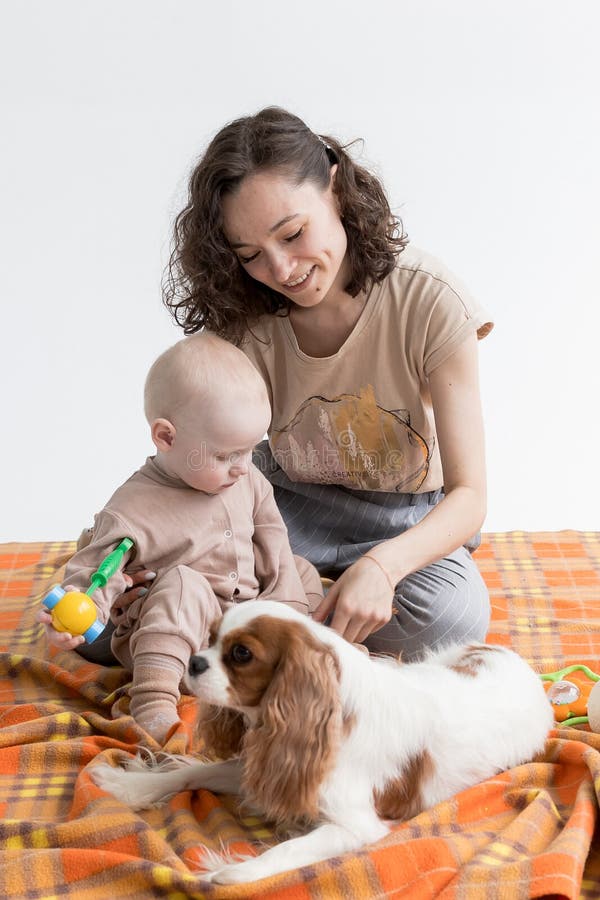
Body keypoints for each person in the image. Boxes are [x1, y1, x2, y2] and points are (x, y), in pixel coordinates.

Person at [157, 106, 494, 660]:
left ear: (335, 187)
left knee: (449, 621)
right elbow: (202, 453)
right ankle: (293, 600)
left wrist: (384, 567)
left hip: (406, 514)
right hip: (282, 500)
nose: (283, 269)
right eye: (251, 256)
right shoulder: (246, 318)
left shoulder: (431, 300)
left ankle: (265, 610)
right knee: (149, 572)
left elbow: (470, 496)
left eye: (292, 234)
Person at [38, 333, 323, 742]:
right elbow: (95, 573)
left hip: (245, 616)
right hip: (181, 635)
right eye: (226, 456)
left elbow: (273, 540)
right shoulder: (133, 509)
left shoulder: (248, 479)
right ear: (167, 437)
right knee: (183, 583)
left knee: (299, 570)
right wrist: (75, 610)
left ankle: (310, 649)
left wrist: (286, 617)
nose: (243, 467)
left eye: (249, 451)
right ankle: (154, 701)